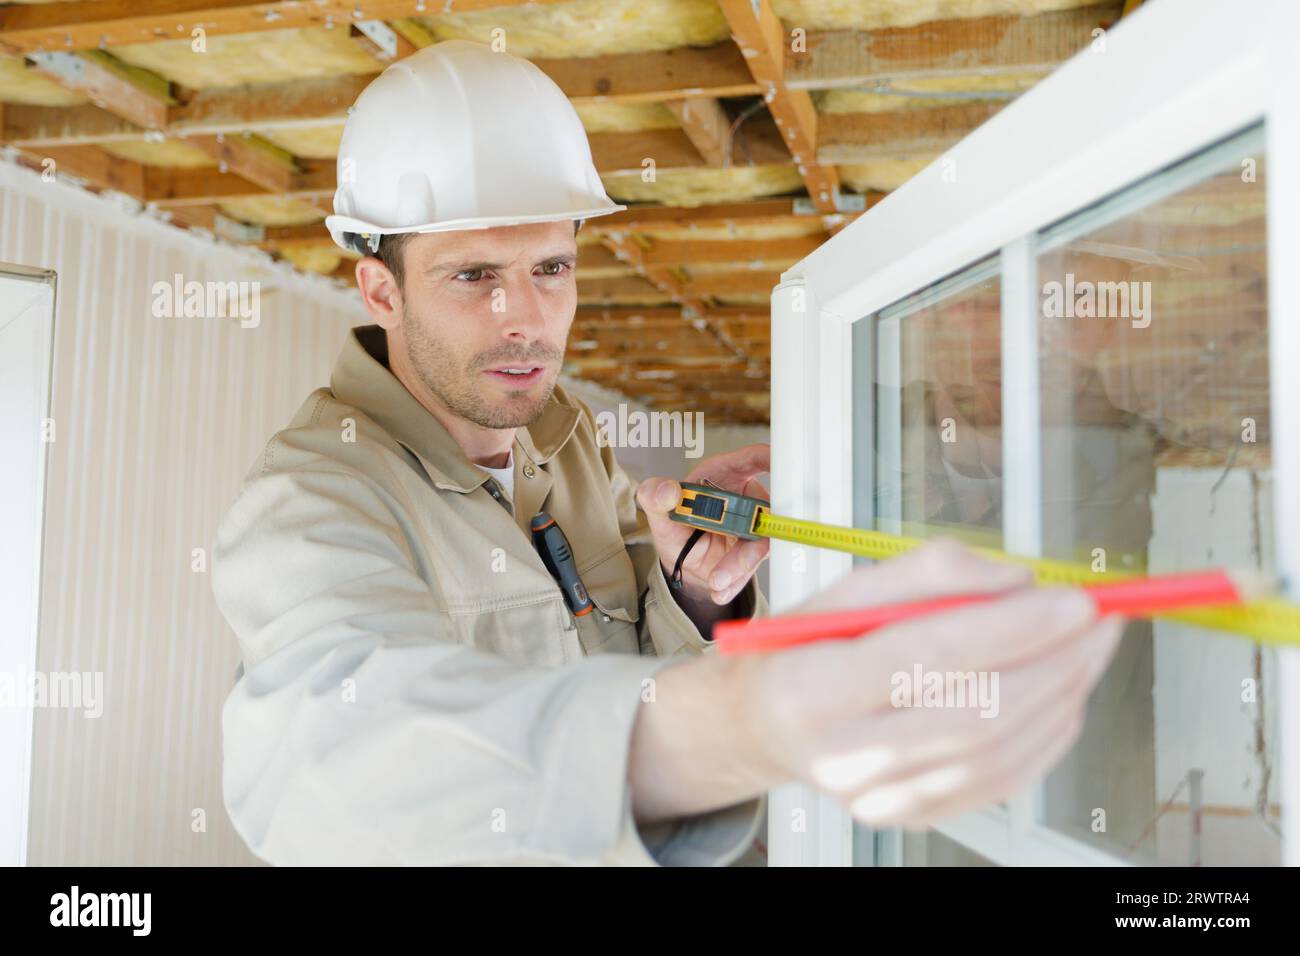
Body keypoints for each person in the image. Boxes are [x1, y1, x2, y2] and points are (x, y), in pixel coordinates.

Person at [211, 40, 1122, 866]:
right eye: (474, 275)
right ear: (381, 289)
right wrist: (757, 719)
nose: (524, 316)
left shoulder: (565, 446)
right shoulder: (312, 497)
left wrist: (689, 589)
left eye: (551, 269)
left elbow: (628, 666)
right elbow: (332, 770)